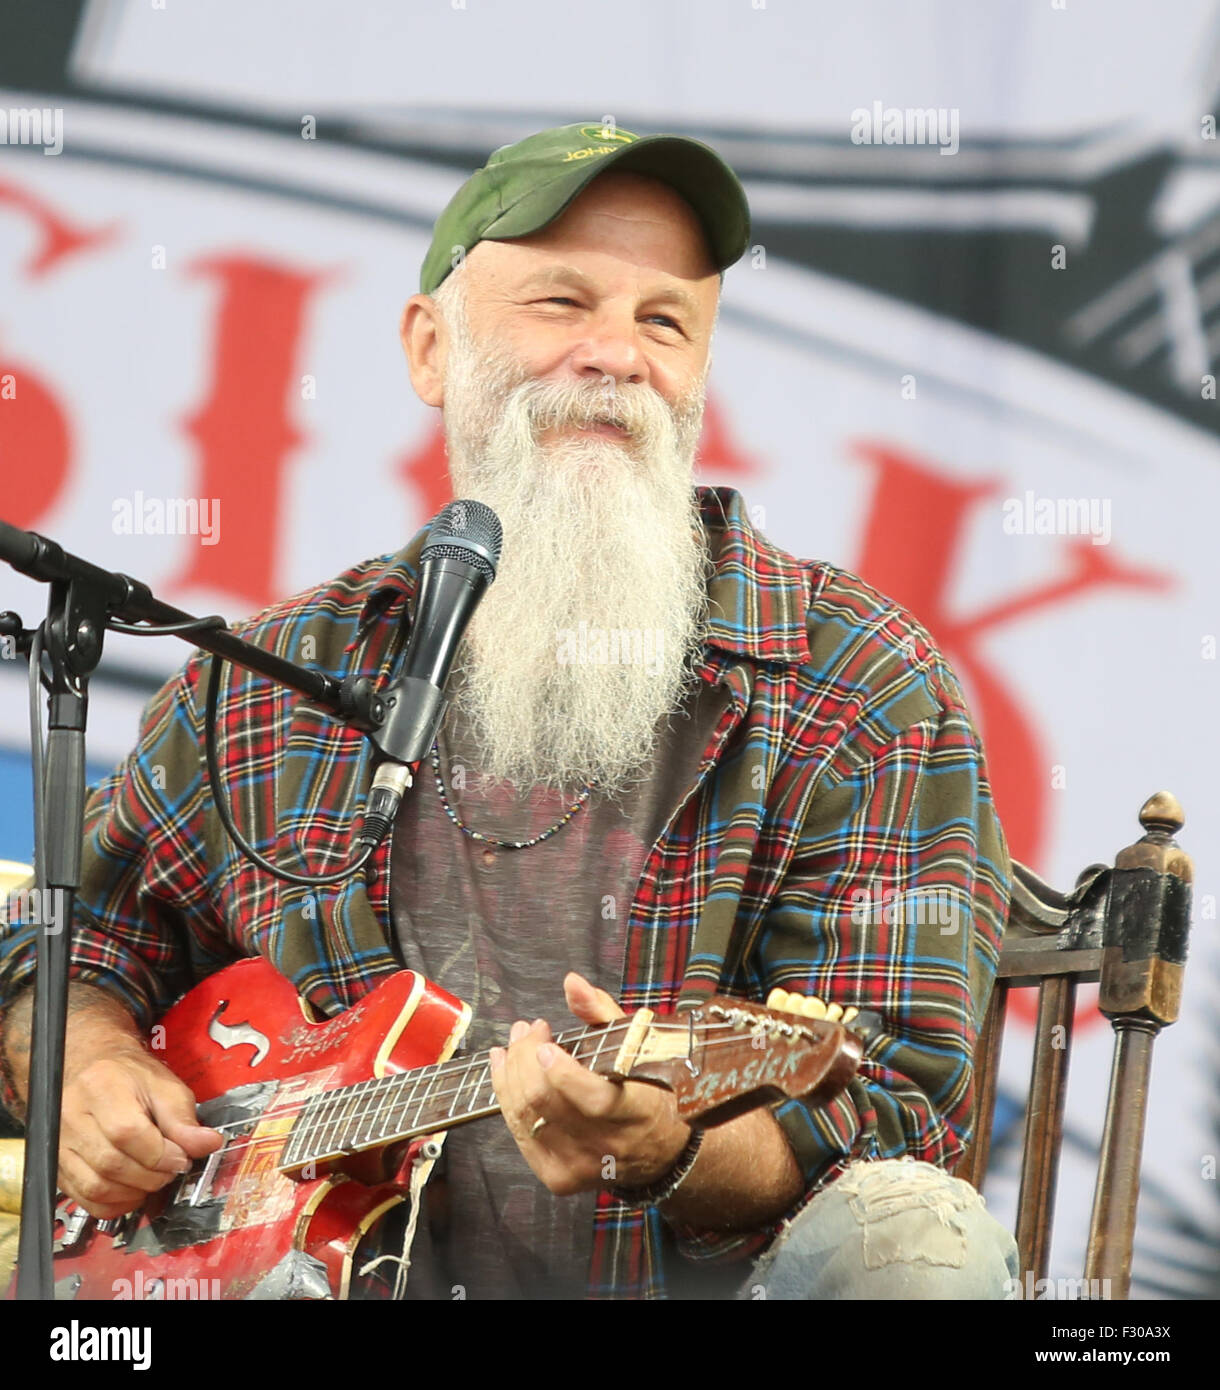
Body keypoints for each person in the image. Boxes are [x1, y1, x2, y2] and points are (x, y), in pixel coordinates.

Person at [0, 122, 1018, 1300]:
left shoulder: (859, 685)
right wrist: (86, 1060)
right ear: (431, 349)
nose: (616, 356)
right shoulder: (263, 683)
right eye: (560, 301)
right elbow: (62, 948)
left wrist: (673, 1148)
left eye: (663, 320)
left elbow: (904, 1114)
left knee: (909, 1229)